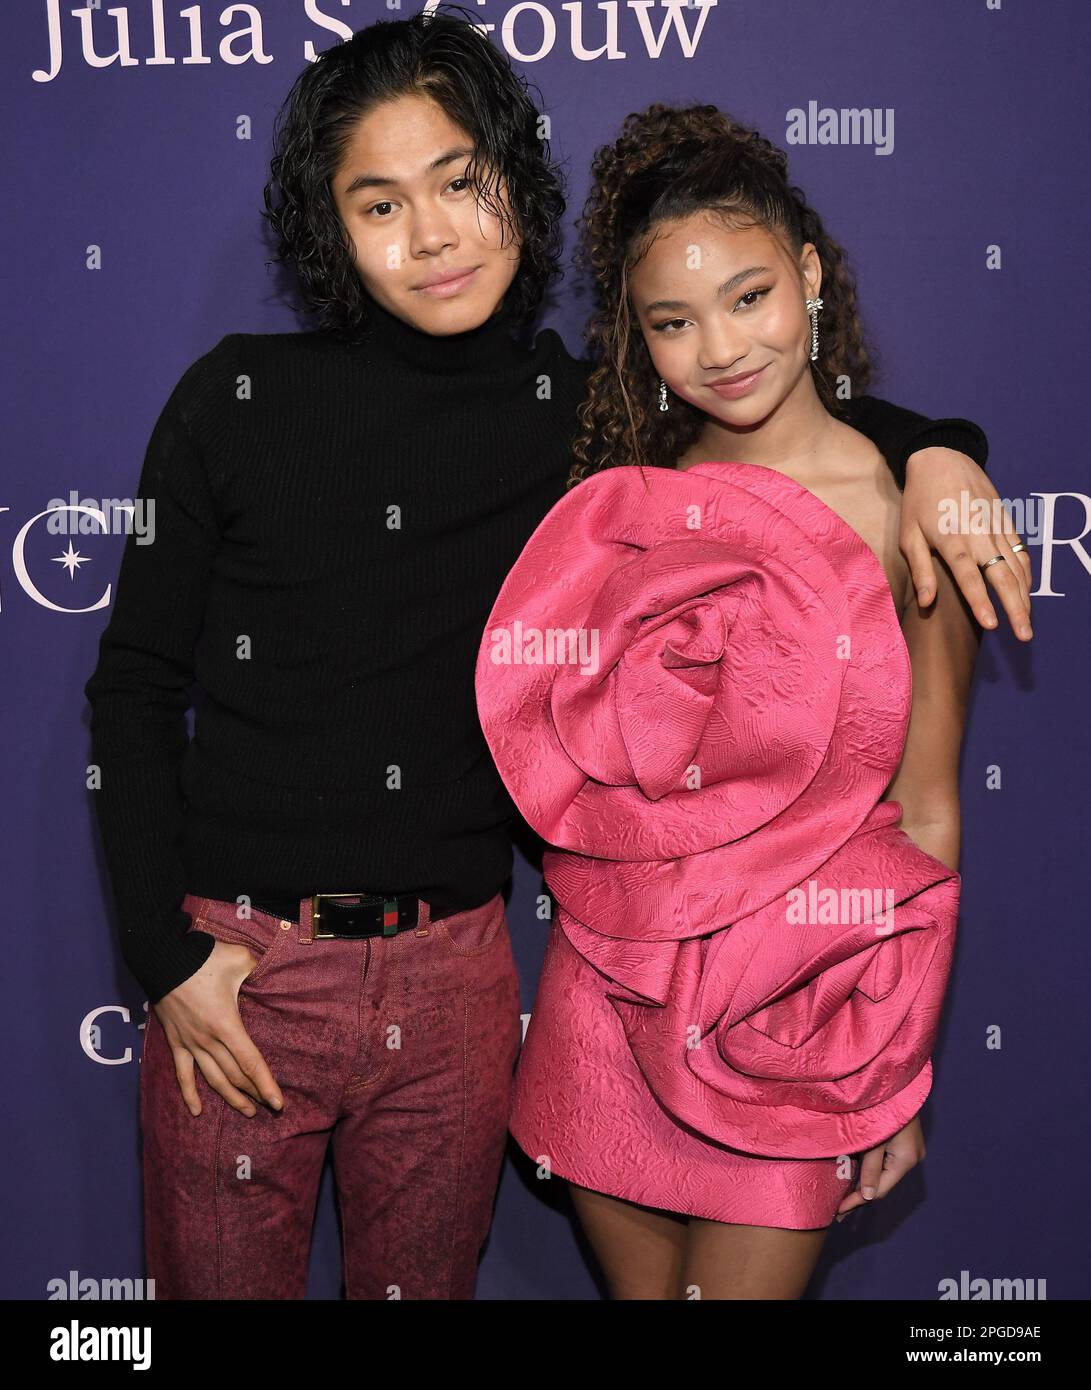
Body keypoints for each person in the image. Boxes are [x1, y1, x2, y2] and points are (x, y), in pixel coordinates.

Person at [84, 11, 1022, 1301]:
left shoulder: (573, 416)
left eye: (461, 182)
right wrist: (166, 956)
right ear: (331, 231)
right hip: (241, 977)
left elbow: (762, 402)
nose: (431, 234)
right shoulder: (235, 397)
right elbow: (133, 687)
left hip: (461, 980)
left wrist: (938, 445)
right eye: (377, 203)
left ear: (513, 185)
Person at [474, 103, 1003, 1299]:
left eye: (749, 296)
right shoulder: (626, 503)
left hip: (797, 1013)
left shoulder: (909, 504)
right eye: (672, 321)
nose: (718, 346)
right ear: (636, 336)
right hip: (615, 984)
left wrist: (891, 1071)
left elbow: (923, 810)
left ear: (808, 274)